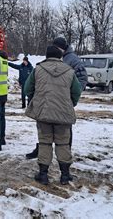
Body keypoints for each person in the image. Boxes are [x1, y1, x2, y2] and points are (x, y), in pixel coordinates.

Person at [24, 45, 82, 185]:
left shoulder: (38, 69)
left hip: (43, 113)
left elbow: (27, 89)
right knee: (63, 144)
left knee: (45, 143)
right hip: (63, 114)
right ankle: (65, 175)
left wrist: (37, 101)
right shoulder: (69, 71)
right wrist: (69, 104)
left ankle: (43, 175)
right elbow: (77, 92)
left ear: (46, 56)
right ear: (60, 56)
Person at [25, 37, 88, 159]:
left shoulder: (73, 59)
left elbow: (82, 77)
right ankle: (41, 150)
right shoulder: (52, 59)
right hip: (47, 101)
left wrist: (69, 98)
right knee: (44, 130)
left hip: (62, 103)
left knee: (64, 132)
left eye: (57, 48)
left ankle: (65, 153)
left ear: (63, 48)